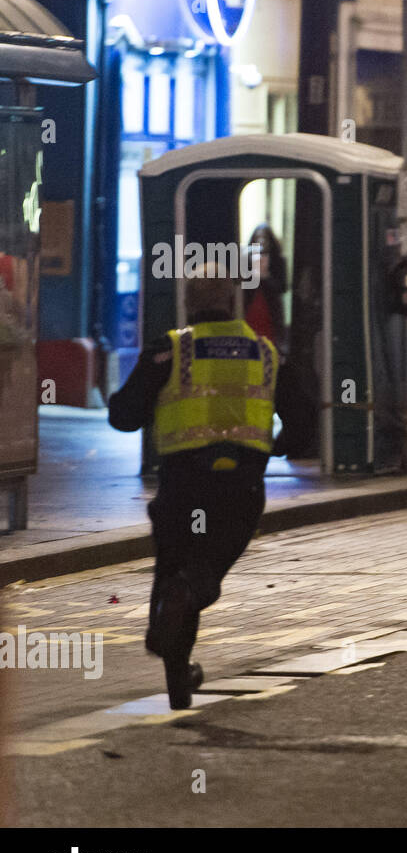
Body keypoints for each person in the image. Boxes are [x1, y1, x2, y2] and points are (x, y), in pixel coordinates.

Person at [108, 269, 312, 708]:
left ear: (188, 304)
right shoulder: (267, 353)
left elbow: (123, 416)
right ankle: (188, 600)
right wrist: (277, 448)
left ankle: (177, 674)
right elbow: (304, 421)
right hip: (240, 486)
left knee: (173, 565)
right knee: (203, 572)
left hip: (182, 484)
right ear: (233, 304)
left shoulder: (170, 349)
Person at [245, 224, 288, 352]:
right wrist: (253, 274)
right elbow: (242, 288)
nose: (261, 241)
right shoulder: (247, 259)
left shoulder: (278, 260)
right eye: (258, 237)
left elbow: (282, 287)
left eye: (264, 238)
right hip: (251, 308)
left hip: (271, 310)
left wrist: (266, 276)